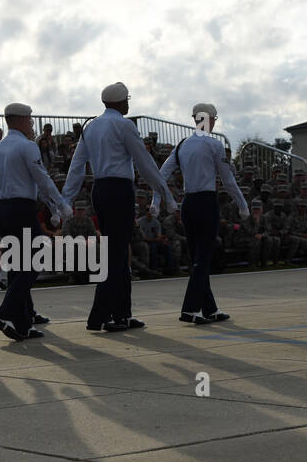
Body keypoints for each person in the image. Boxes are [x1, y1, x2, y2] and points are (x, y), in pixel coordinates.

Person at [61, 81, 176, 331]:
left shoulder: (90, 127)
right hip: (118, 190)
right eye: (127, 99)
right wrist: (165, 193)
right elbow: (144, 161)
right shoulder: (124, 125)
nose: (128, 103)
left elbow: (77, 165)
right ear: (121, 102)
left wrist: (66, 198)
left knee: (120, 253)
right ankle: (100, 316)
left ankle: (122, 313)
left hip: (100, 190)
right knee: (115, 255)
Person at [0, 102, 70, 341]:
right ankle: (5, 313)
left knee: (17, 265)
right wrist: (60, 204)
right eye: (29, 119)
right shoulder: (28, 147)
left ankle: (22, 321)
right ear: (19, 120)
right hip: (21, 209)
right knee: (35, 261)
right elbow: (42, 180)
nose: (31, 123)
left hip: (2, 210)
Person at [151, 102, 246, 323]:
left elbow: (160, 175)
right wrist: (243, 204)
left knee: (197, 258)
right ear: (211, 119)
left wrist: (157, 200)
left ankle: (209, 308)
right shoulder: (214, 145)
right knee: (202, 259)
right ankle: (189, 309)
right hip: (205, 202)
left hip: (188, 204)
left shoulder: (182, 145)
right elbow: (229, 180)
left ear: (195, 119)